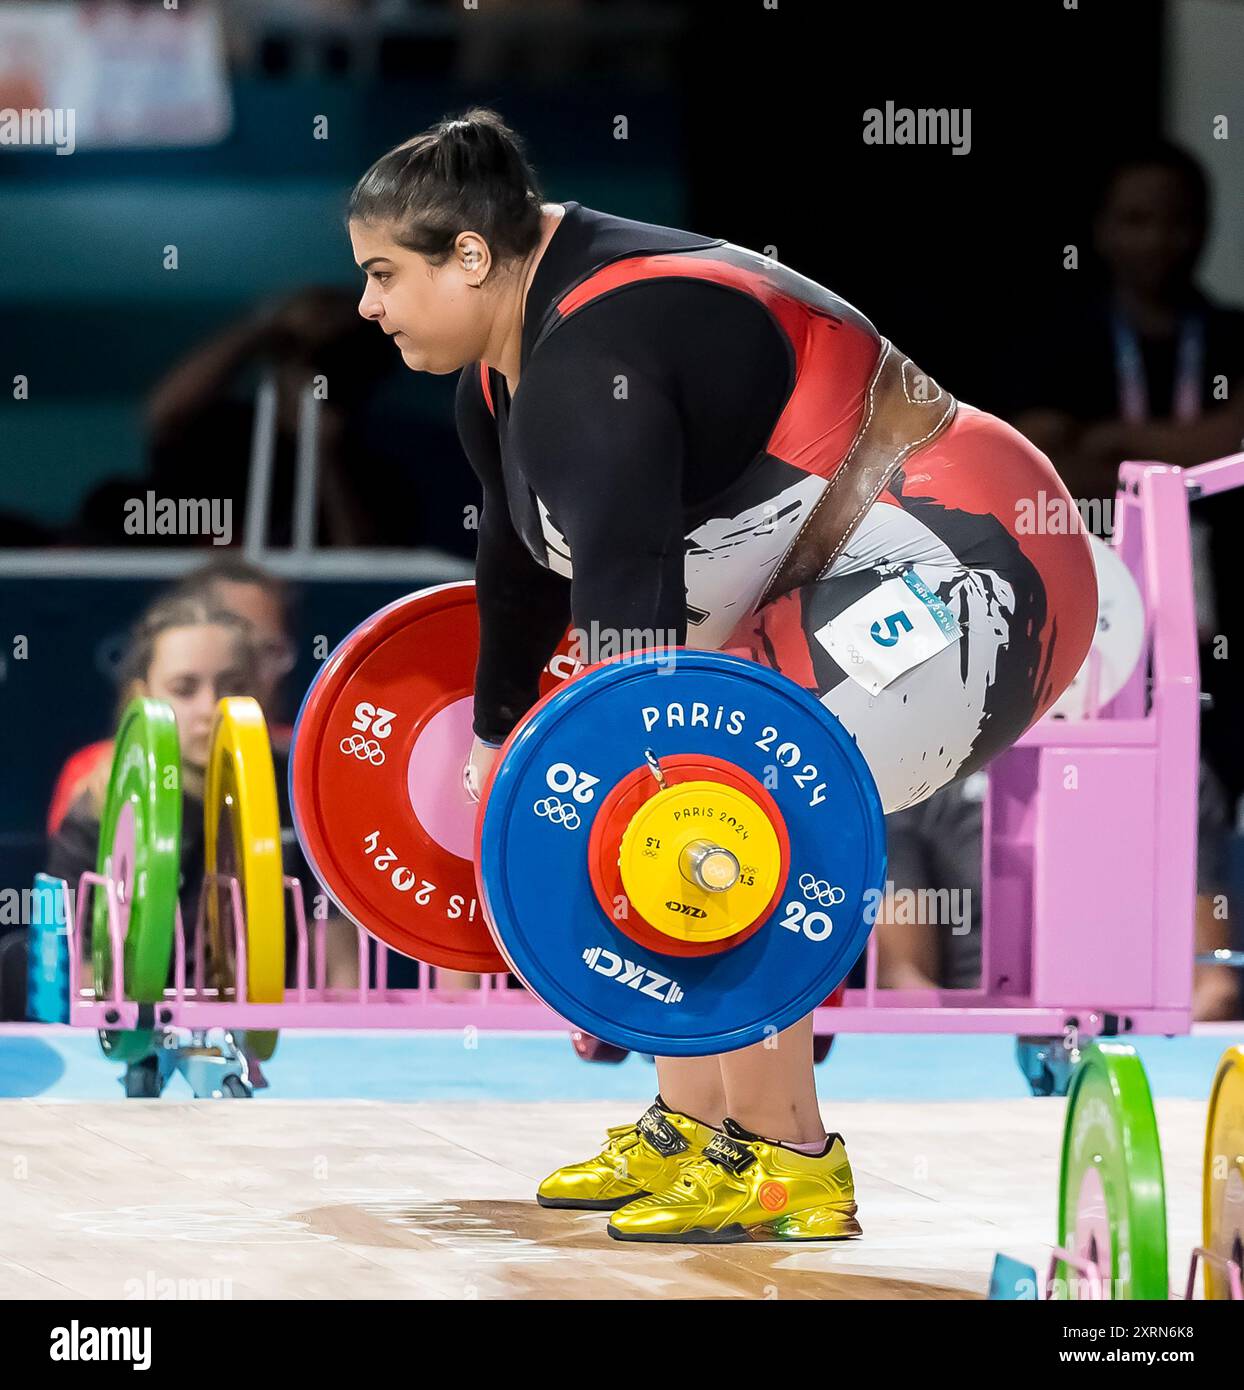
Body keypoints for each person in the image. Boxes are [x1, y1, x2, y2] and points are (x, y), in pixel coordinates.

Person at [346, 108, 1096, 1242]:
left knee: (717, 788)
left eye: (383, 274)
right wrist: (497, 741)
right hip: (842, 570)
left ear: (470, 257)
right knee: (680, 772)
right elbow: (517, 577)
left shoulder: (590, 356)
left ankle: (789, 1157)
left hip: (966, 564)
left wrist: (586, 904)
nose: (366, 308)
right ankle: (691, 1127)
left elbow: (630, 621)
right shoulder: (498, 381)